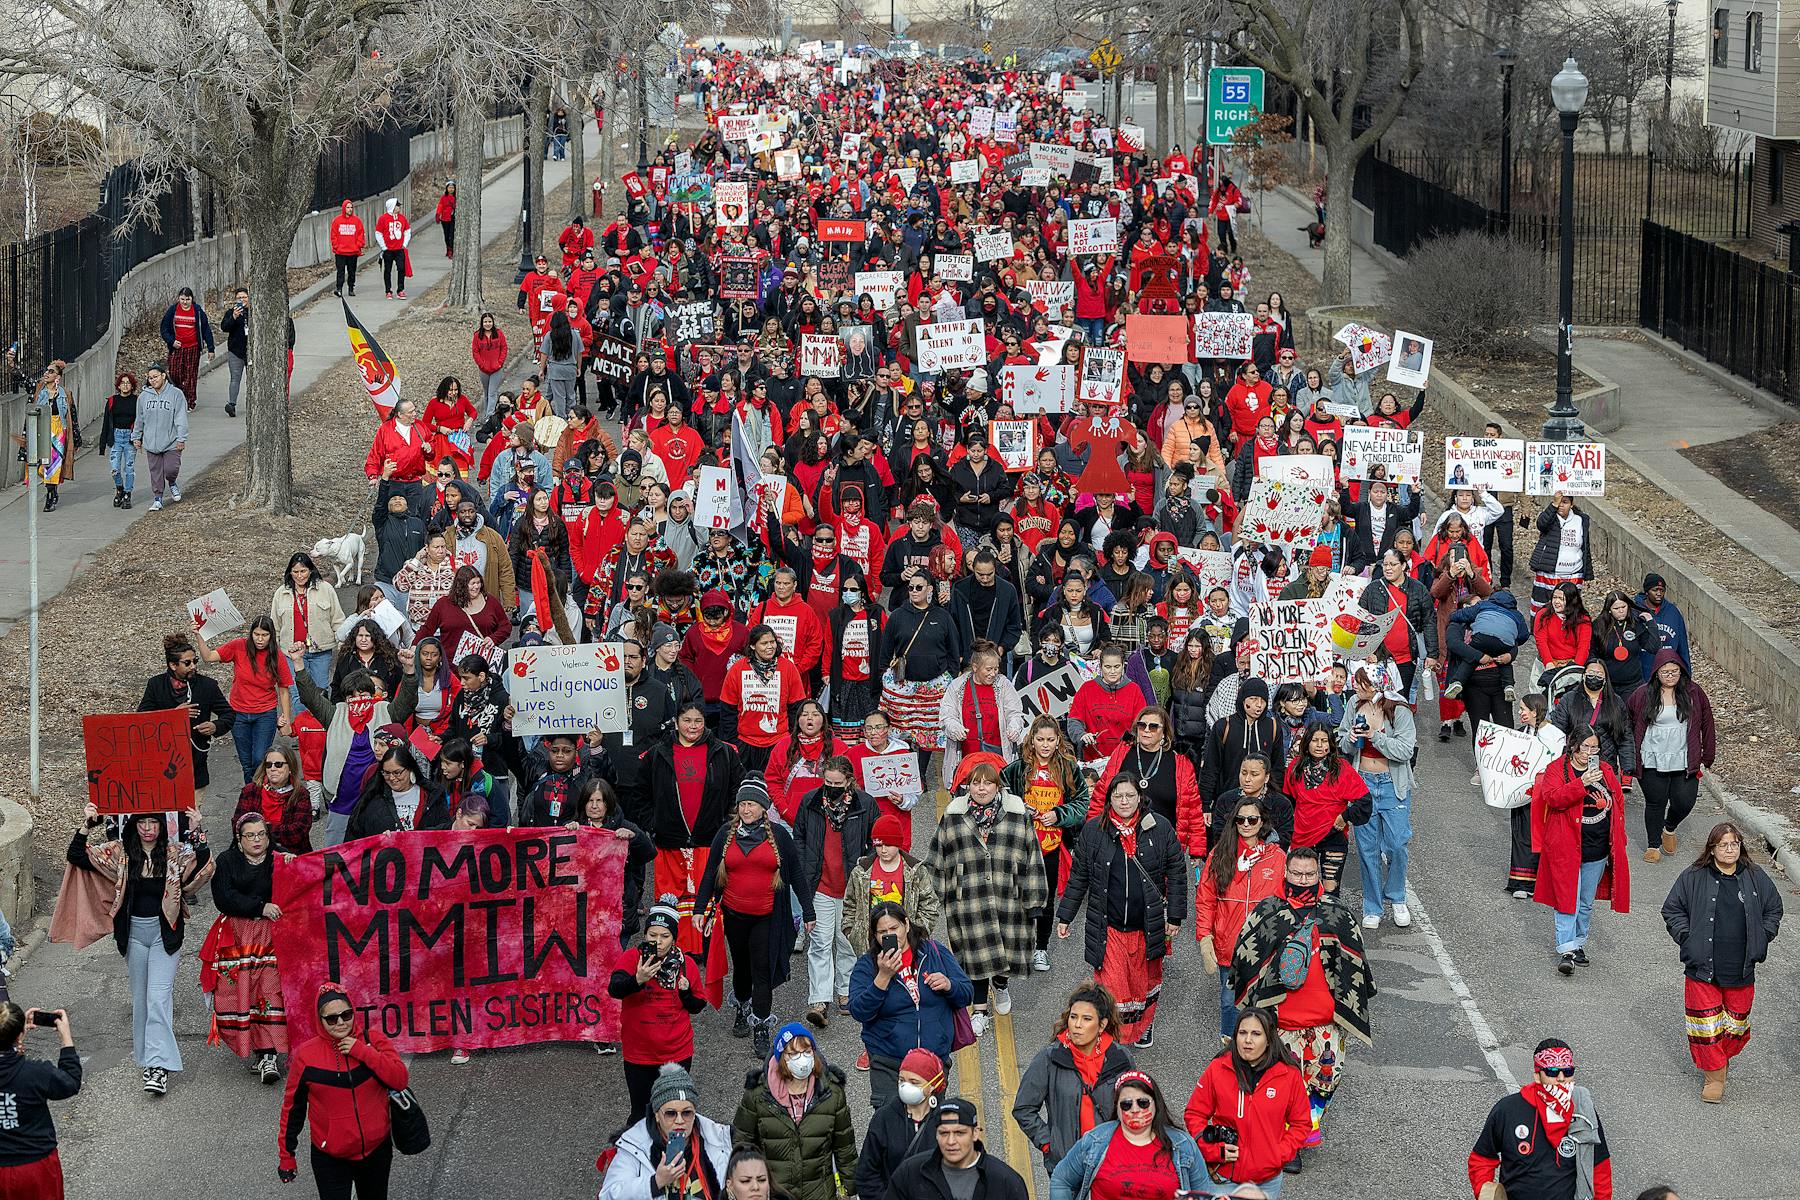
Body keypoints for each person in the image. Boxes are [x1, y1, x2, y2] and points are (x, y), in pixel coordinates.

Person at [1230, 846, 1375, 1169]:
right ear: (1286, 873)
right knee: (1281, 1085)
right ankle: (1289, 1141)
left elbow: (1355, 964)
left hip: (1327, 1024)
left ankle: (1306, 1123)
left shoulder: (1337, 913)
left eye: (1310, 874)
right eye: (1297, 874)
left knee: (1326, 1081)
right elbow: (1246, 955)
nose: (1304, 879)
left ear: (1319, 874)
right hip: (1280, 1023)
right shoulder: (1268, 910)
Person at [54, 806, 211, 1096]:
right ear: (134, 825)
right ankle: (149, 1058)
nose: (148, 828)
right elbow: (77, 856)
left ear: (162, 826)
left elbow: (202, 865)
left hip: (166, 935)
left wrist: (197, 828)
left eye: (154, 822)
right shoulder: (120, 852)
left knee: (158, 998)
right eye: (143, 822)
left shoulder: (174, 852)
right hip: (134, 935)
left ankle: (158, 1067)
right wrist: (88, 824)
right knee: (141, 1000)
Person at [1056, 776, 1187, 1048]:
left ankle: (1144, 1026)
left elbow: (1176, 871)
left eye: (1130, 796)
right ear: (1109, 800)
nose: (1124, 801)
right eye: (1118, 796)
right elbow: (1079, 876)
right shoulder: (1094, 831)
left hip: (1147, 926)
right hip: (1110, 927)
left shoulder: (1159, 828)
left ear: (1139, 798)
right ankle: (1116, 1042)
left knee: (1144, 986)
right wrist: (1065, 916)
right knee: (1113, 988)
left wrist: (1174, 916)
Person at [1660, 821, 1783, 1102]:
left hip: (1741, 967)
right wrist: (1687, 938)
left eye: (1735, 844)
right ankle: (1714, 1077)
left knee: (1736, 1027)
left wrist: (1762, 937)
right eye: (1724, 845)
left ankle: (1720, 1060)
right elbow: (1672, 909)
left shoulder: (1755, 876)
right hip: (1702, 968)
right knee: (1706, 1027)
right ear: (1712, 849)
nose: (1730, 850)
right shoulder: (1693, 876)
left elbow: (1774, 907)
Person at [929, 758, 1048, 1038]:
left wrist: (1034, 901)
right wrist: (941, 897)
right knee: (975, 958)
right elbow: (937, 859)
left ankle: (1002, 984)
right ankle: (979, 1010)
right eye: (975, 782)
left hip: (1010, 898)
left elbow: (1033, 858)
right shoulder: (953, 816)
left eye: (988, 782)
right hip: (968, 901)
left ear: (998, 785)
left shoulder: (1017, 814)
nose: (981, 788)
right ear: (967, 786)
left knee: (1006, 953)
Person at [694, 779, 813, 1058]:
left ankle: (760, 1024)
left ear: (763, 808)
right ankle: (742, 1006)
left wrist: (808, 911)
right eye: (743, 804)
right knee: (742, 967)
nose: (746, 809)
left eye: (752, 804)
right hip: (734, 915)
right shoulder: (725, 834)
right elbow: (710, 874)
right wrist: (699, 909)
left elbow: (796, 874)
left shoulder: (780, 836)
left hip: (767, 917)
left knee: (761, 970)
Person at [847, 901, 973, 1112]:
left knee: (928, 1133)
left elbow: (966, 993)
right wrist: (883, 977)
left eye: (894, 928)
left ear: (906, 924)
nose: (890, 935)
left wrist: (949, 985)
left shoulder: (934, 952)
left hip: (932, 1060)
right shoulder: (867, 965)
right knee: (892, 1131)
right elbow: (859, 1010)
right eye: (882, 932)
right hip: (889, 1063)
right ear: (875, 936)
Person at [1530, 730, 1631, 976]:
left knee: (1585, 902)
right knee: (1567, 900)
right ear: (1573, 746)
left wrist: (1611, 813)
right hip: (1565, 848)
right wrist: (1581, 783)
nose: (1589, 754)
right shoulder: (1557, 769)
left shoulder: (1605, 770)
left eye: (1594, 748)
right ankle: (1566, 950)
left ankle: (1578, 943)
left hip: (1596, 850)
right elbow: (1553, 798)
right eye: (1585, 748)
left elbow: (1617, 799)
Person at [1182, 1009, 1310, 1197]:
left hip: (1266, 1182)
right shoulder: (1218, 1068)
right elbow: (1194, 1113)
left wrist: (1278, 1154)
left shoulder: (1289, 1076)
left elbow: (1302, 1123)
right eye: (1242, 1033)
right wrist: (1210, 1149)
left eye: (1256, 1034)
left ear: (1269, 1039)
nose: (1247, 1040)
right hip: (1221, 1177)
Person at [1468, 1038, 1614, 1200]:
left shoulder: (1583, 1112)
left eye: (1567, 1072)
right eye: (1552, 1072)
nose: (1561, 1078)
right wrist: (1486, 1193)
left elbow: (1599, 1167)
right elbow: (1482, 1159)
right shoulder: (1507, 1110)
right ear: (1537, 1076)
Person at [1012, 983, 1136, 1172]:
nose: (1077, 1025)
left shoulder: (1120, 1058)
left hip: (1110, 1164)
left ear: (1102, 1025)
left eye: (1086, 1019)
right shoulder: (1050, 1057)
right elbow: (1023, 1108)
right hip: (1066, 1165)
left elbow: (1135, 1107)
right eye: (1073, 1017)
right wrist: (1049, 1145)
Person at [203, 813, 289, 1084]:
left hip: (271, 935)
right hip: (237, 935)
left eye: (261, 834)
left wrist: (294, 865)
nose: (256, 840)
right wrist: (260, 906)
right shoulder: (227, 861)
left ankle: (269, 1055)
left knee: (269, 991)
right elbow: (224, 897)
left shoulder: (280, 858)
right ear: (239, 841)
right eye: (250, 835)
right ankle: (251, 1045)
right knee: (240, 993)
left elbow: (302, 882)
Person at [999, 717, 1090, 972]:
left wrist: (1059, 815)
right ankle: (1018, 945)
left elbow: (1083, 802)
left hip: (1051, 844)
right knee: (1017, 896)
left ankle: (1041, 948)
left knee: (1046, 899)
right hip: (1022, 843)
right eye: (1040, 739)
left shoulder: (1068, 768)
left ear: (1058, 740)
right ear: (1032, 740)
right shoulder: (1018, 768)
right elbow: (1001, 793)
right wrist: (1020, 808)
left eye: (1051, 740)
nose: (1046, 745)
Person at [1194, 796, 1287, 1042]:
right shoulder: (1219, 855)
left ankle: (1265, 1048)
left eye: (1252, 819)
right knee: (1228, 1002)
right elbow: (1205, 899)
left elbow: (1289, 901)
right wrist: (1204, 937)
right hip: (1229, 944)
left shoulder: (1277, 858)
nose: (1246, 824)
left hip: (1265, 946)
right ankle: (1229, 1046)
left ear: (1262, 822)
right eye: (1240, 819)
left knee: (1264, 1002)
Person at [731, 1024, 857, 1200]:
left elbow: (845, 1146)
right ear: (781, 1057)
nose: (802, 1059)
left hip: (820, 1193)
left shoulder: (832, 1093)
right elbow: (741, 1143)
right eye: (793, 1054)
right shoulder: (758, 1095)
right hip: (774, 1193)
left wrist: (852, 1188)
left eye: (807, 1052)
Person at [607, 898, 707, 1121]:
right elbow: (614, 989)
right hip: (639, 1055)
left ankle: (673, 1156)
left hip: (677, 1053)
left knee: (674, 1114)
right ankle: (640, 1156)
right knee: (640, 1115)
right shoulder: (632, 958)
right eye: (653, 935)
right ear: (645, 935)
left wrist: (686, 993)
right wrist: (637, 979)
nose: (658, 942)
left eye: (665, 936)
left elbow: (699, 1005)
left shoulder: (685, 964)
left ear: (674, 938)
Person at [1337, 666, 1417, 929]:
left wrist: (1375, 737)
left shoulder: (1399, 710)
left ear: (1379, 685)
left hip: (1392, 784)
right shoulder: (1353, 704)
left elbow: (1405, 749)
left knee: (1397, 844)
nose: (1357, 688)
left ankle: (1397, 897)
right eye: (1357, 683)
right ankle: (1372, 905)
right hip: (1363, 783)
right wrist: (1350, 738)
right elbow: (1342, 740)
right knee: (1366, 847)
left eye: (1363, 684)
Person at [1048, 1070, 1207, 1200]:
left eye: (1143, 1103)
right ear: (1117, 1107)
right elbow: (1062, 1180)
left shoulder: (1182, 1145)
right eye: (1126, 1104)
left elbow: (1204, 1192)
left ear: (1156, 1104)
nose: (1135, 1109)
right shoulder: (1095, 1141)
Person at [1626, 649, 1716, 863]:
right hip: (1652, 756)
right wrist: (1629, 755)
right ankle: (1653, 845)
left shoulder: (1694, 692)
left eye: (1674, 671)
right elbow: (1629, 722)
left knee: (1684, 801)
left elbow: (1707, 722)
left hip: (1684, 756)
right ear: (1656, 673)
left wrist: (1708, 753)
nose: (1670, 676)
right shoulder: (1642, 694)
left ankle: (1670, 827)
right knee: (1655, 802)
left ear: (1681, 671)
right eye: (1665, 672)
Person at [600, 1064, 733, 1200]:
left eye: (687, 1113)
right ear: (657, 1115)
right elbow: (609, 1194)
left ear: (694, 1114)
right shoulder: (635, 1145)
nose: (680, 1120)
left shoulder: (719, 1138)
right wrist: (656, 1183)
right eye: (671, 1113)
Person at [192, 616, 295, 784]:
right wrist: (198, 634)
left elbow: (284, 689)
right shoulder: (239, 646)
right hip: (238, 713)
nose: (260, 639)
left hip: (265, 713)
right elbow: (208, 657)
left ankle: (261, 794)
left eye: (264, 635)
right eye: (256, 634)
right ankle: (252, 796)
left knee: (259, 760)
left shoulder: (276, 655)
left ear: (271, 636)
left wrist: (286, 718)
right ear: (251, 634)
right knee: (246, 763)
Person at [0, 1003, 80, 1198]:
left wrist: (14, 1036)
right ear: (19, 1035)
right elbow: (70, 1082)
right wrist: (66, 1039)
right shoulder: (36, 1073)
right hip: (36, 1167)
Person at [884, 1098, 1029, 1200]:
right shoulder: (910, 1172)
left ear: (975, 1133)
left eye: (959, 1133)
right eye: (944, 1133)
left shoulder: (1006, 1182)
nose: (951, 1141)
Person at [856, 1048, 947, 1199]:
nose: (905, 1087)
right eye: (902, 1080)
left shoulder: (946, 1122)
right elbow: (866, 1172)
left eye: (914, 1082)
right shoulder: (884, 1117)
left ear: (932, 1086)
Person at [131, 361, 189, 510]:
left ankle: (172, 482)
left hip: (171, 441)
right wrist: (136, 436)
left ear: (163, 376)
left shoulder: (176, 394)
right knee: (155, 472)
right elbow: (140, 418)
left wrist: (181, 438)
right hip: (151, 442)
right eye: (150, 378)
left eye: (155, 376)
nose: (153, 380)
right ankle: (158, 498)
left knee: (171, 469)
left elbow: (181, 417)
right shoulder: (144, 396)